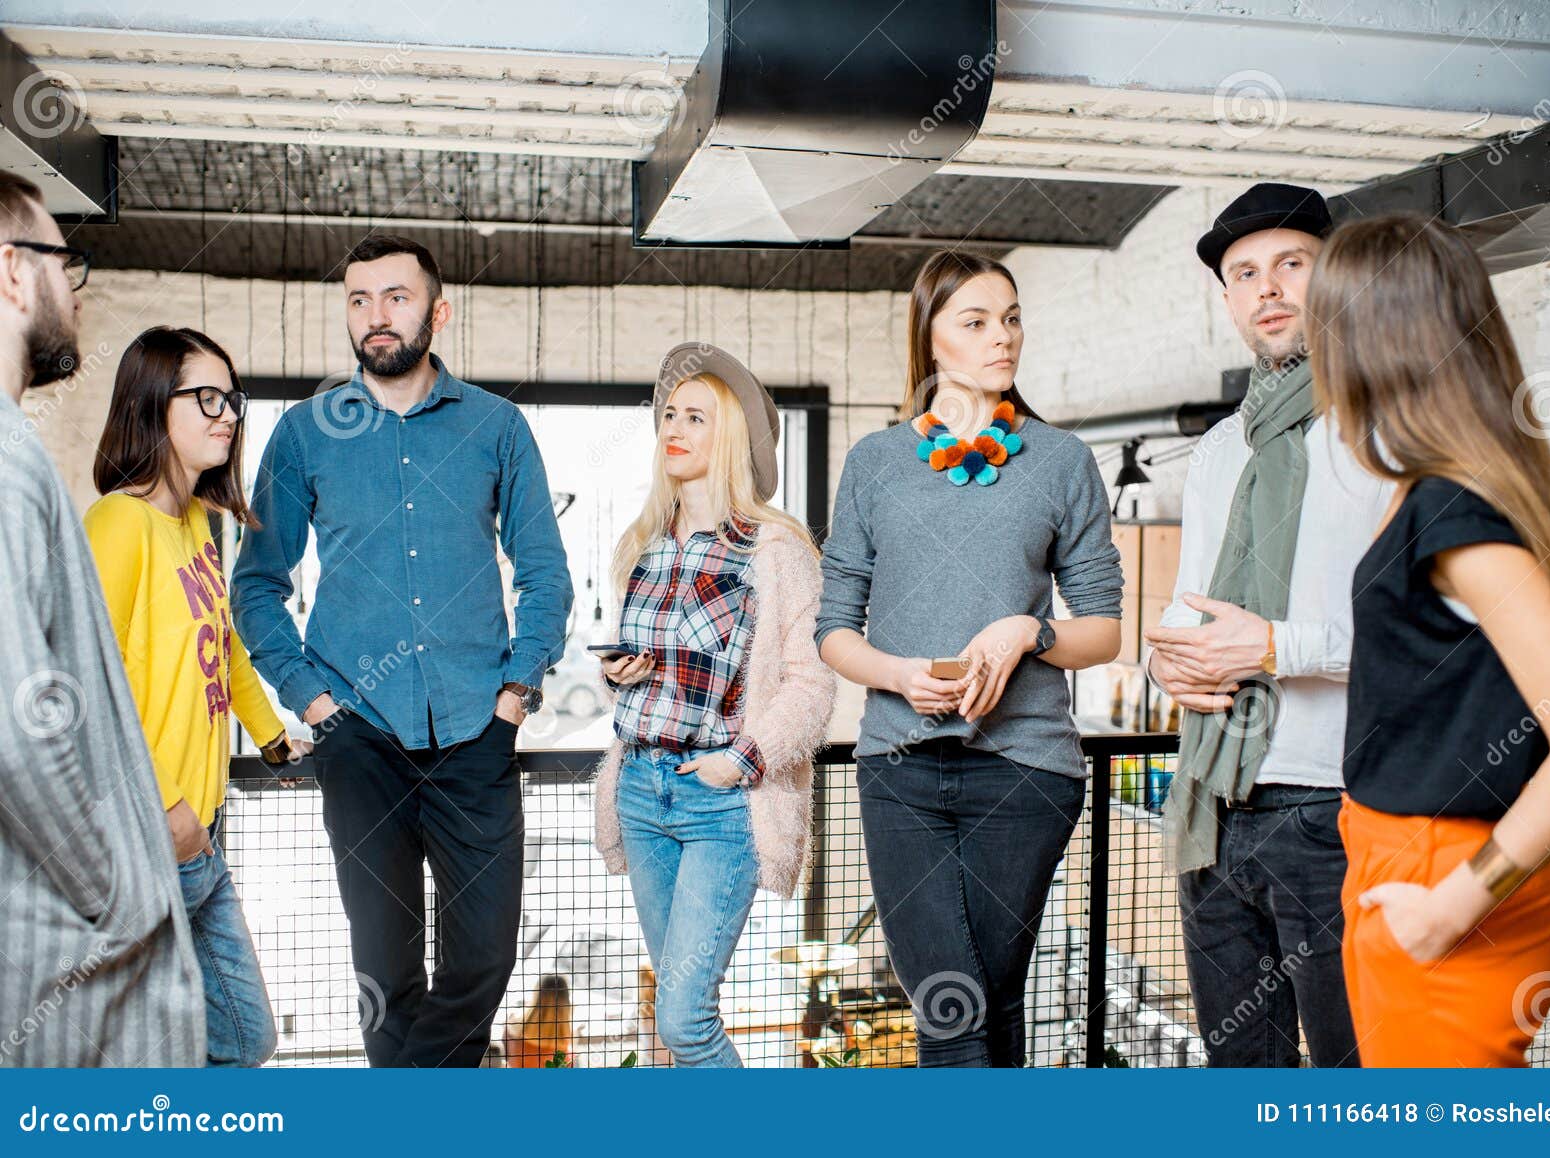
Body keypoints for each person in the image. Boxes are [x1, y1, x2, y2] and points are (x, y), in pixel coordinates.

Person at [234, 235, 574, 1067]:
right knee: (385, 973)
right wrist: (314, 703)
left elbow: (546, 575)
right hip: (360, 739)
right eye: (358, 299)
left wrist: (513, 695)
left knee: (486, 958)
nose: (375, 316)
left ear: (437, 312)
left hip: (475, 733)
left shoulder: (497, 427)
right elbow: (255, 585)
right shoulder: (305, 434)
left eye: (395, 297)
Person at [816, 250, 1124, 1067]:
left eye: (1012, 317)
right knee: (955, 1006)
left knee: (982, 1004)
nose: (1004, 338)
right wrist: (896, 675)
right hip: (899, 770)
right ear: (932, 337)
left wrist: (1031, 633)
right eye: (977, 321)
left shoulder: (1061, 461)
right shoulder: (875, 464)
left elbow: (1105, 630)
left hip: (1027, 772)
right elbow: (834, 629)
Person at [1307, 214, 1550, 1066]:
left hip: (1442, 886)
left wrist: (1452, 907)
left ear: (1369, 342)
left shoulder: (1455, 513)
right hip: (1405, 860)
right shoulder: (1443, 494)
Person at [1143, 183, 1387, 1068]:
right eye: (1246, 273)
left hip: (1336, 810)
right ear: (1229, 300)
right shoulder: (1220, 449)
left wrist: (1279, 647)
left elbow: (1429, 639)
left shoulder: (1383, 432)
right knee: (1240, 1075)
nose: (1268, 288)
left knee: (1355, 1074)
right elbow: (1188, 602)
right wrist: (1165, 661)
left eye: (1292, 264)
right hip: (1214, 805)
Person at [0, 171, 205, 1066]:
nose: (72, 295)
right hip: (63, 957)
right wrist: (116, 885)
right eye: (62, 262)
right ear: (12, 273)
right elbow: (15, 723)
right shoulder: (7, 467)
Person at [592, 342, 835, 1068]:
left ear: (728, 436)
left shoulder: (776, 548)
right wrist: (620, 676)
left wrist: (741, 761)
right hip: (641, 789)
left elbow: (812, 682)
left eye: (696, 417)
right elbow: (650, 671)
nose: (675, 427)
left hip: (719, 798)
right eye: (670, 413)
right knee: (676, 1010)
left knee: (685, 1016)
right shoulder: (644, 545)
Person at [84, 326, 310, 1066]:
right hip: (151, 837)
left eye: (233, 399)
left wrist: (272, 736)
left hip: (200, 834)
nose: (228, 414)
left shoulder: (197, 523)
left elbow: (226, 651)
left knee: (245, 1038)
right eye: (206, 397)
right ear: (153, 404)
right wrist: (167, 806)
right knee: (126, 1051)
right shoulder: (119, 523)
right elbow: (92, 686)